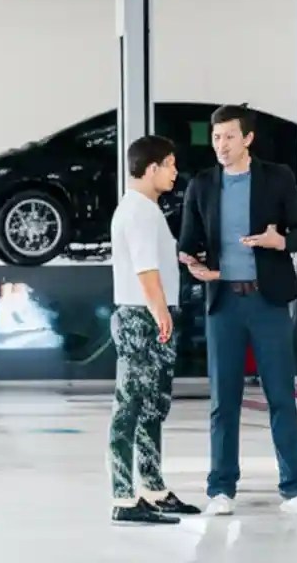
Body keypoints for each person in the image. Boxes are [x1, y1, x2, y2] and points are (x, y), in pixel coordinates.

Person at [179, 104, 297, 515]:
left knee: (280, 395)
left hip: (268, 300)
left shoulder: (277, 177)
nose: (220, 145)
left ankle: (295, 489)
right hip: (224, 302)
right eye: (216, 137)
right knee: (224, 400)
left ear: (248, 139)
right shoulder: (202, 185)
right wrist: (193, 262)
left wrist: (282, 242)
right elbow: (189, 242)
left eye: (228, 137)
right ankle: (220, 489)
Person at [108, 134, 201, 525]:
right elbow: (145, 270)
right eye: (171, 165)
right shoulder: (141, 211)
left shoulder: (143, 209)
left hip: (148, 314)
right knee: (129, 407)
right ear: (152, 168)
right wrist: (161, 312)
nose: (175, 172)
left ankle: (153, 488)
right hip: (142, 318)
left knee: (151, 407)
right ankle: (124, 498)